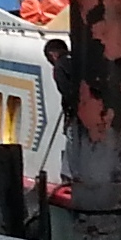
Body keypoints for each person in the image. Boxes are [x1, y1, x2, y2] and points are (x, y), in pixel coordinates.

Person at [44, 39, 77, 181]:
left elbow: (66, 91)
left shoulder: (59, 67)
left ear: (52, 55)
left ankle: (68, 176)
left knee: (72, 141)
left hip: (75, 112)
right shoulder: (77, 60)